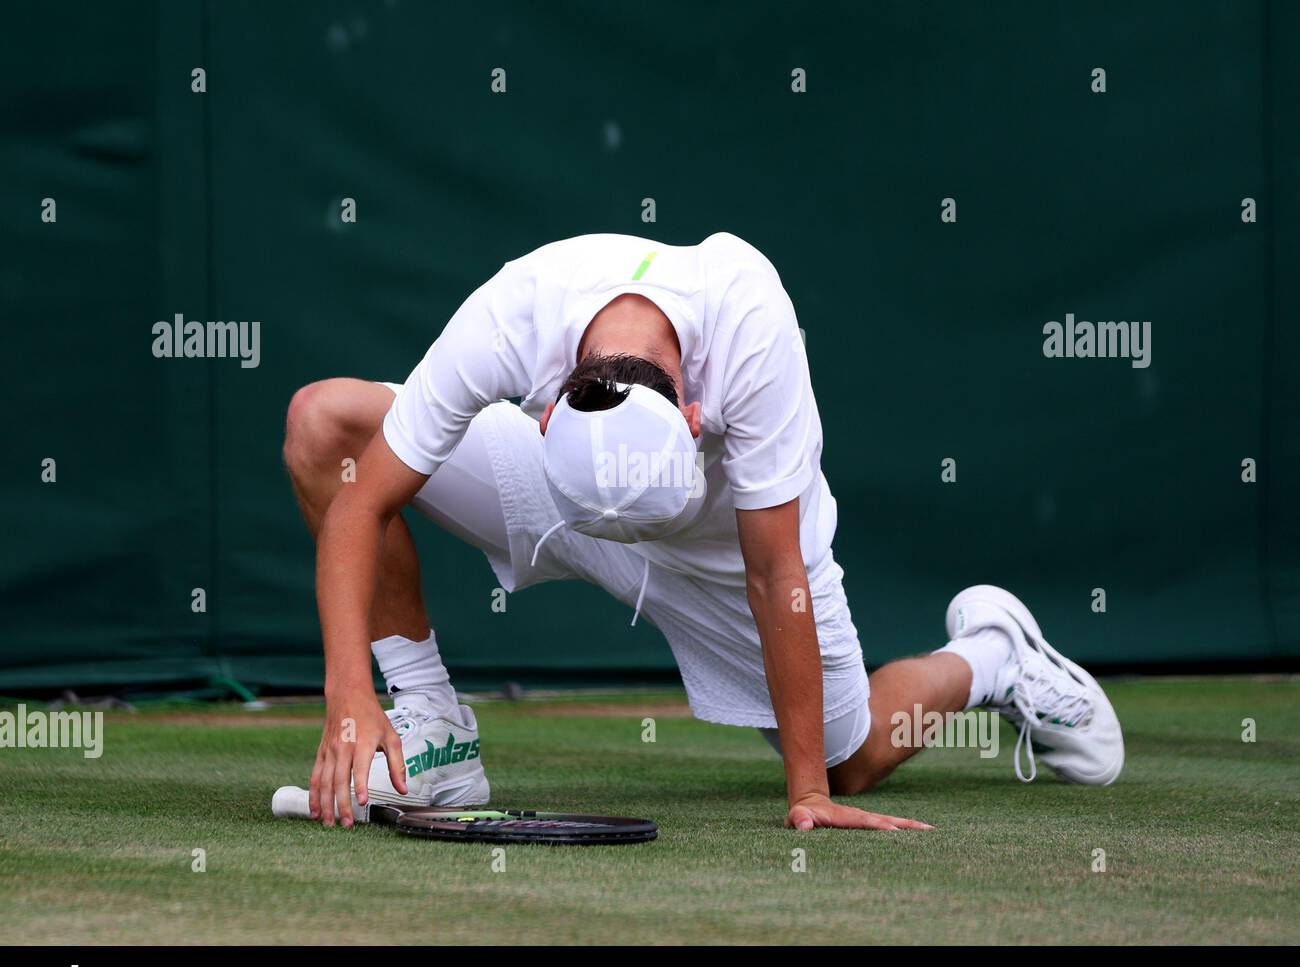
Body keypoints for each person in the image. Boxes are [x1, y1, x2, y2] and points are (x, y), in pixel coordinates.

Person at [282, 232, 1124, 832]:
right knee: (328, 426)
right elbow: (361, 499)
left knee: (849, 755)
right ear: (545, 417)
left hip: (730, 555)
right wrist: (350, 698)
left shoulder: (751, 323)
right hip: (569, 501)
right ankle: (435, 730)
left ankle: (994, 656)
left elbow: (773, 570)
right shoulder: (516, 309)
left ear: (695, 420)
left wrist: (809, 792)